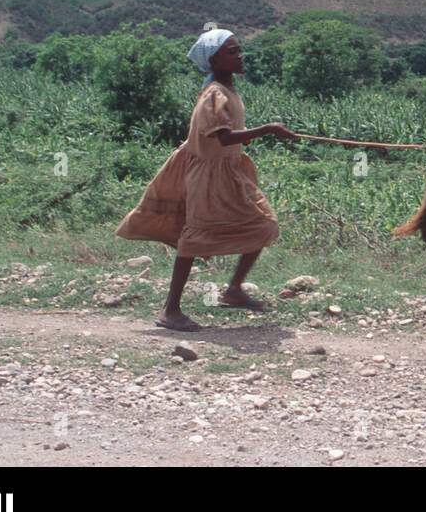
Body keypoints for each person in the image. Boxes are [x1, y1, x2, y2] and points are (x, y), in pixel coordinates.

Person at [115, 28, 298, 331]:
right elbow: (224, 137)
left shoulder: (226, 90)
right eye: (231, 52)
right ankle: (170, 310)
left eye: (239, 50)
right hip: (209, 175)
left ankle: (234, 291)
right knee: (196, 237)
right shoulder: (214, 93)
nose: (239, 56)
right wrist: (267, 130)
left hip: (228, 171)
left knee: (263, 224)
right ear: (213, 60)